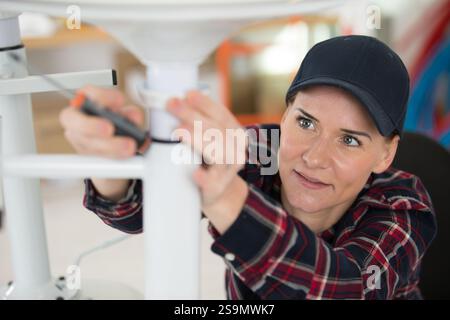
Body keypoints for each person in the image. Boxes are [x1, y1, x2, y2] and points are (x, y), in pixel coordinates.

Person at [59, 35, 437, 299]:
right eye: (305, 122)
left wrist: (228, 197)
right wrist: (112, 161)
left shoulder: (403, 206)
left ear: (385, 155)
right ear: (285, 114)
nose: (315, 158)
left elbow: (341, 289)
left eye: (349, 139)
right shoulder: (257, 150)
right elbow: (138, 212)